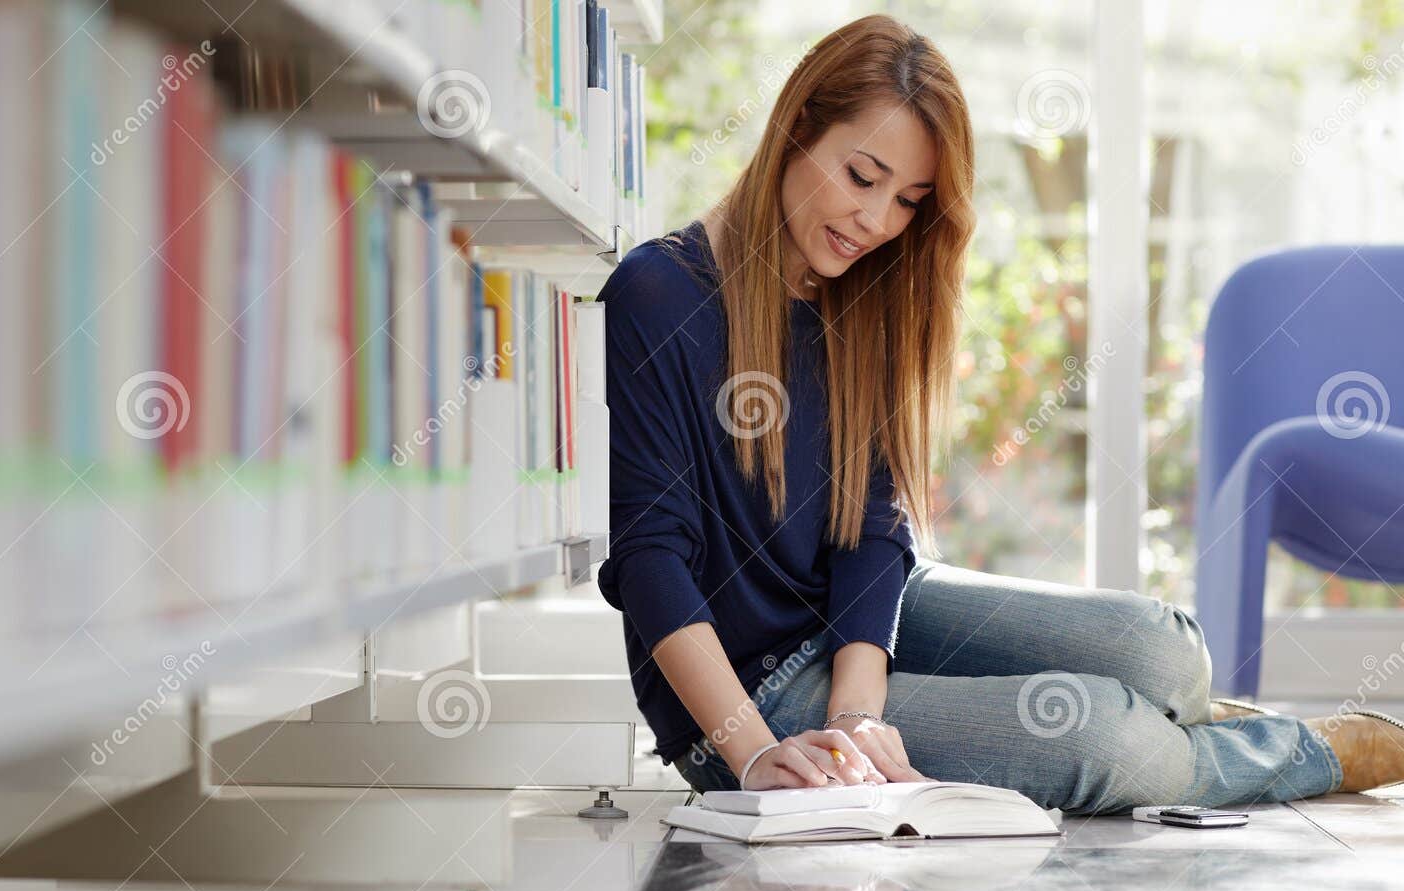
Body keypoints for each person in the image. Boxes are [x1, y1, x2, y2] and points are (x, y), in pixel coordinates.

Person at [594, 13, 1404, 814]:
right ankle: (1302, 752)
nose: (876, 223)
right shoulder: (655, 295)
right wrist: (753, 750)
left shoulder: (859, 296)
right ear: (795, 127)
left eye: (909, 200)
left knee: (1165, 649)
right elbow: (651, 561)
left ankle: (1173, 728)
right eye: (861, 177)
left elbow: (872, 530)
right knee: (1105, 740)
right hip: (745, 704)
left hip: (861, 630)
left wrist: (858, 712)